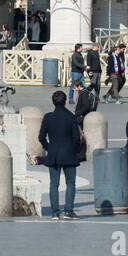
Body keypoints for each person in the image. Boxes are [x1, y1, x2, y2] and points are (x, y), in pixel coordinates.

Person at [38, 90, 81, 219]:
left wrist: (48, 147)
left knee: (54, 184)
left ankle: (55, 212)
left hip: (53, 154)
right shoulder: (71, 117)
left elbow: (41, 137)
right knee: (71, 183)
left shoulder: (48, 117)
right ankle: (68, 211)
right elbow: (76, 138)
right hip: (69, 153)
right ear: (65, 101)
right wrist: (75, 150)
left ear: (53, 102)